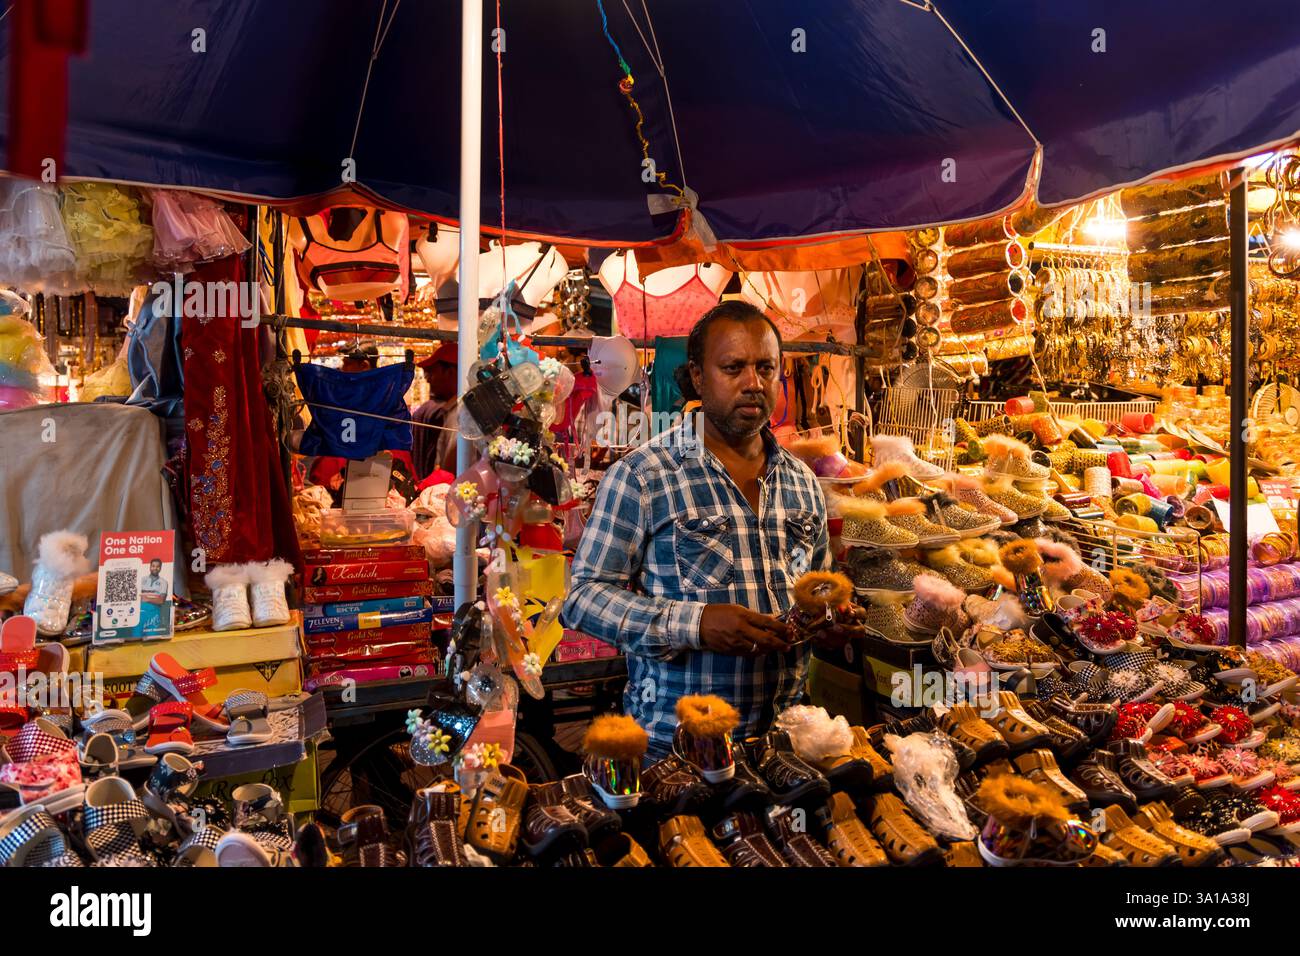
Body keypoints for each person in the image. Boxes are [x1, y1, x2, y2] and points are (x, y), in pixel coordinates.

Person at [561, 300, 857, 756]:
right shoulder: (644, 475)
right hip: (677, 749)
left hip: (787, 742)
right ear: (699, 376)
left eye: (766, 367)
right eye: (733, 368)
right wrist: (695, 624)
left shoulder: (802, 482)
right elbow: (583, 599)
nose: (753, 384)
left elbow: (814, 589)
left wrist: (828, 621)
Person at [411, 342, 460, 480]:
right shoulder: (451, 410)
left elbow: (449, 466)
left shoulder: (460, 413)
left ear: (451, 372)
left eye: (432, 372)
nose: (427, 379)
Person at [139, 558, 170, 634]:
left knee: (152, 637)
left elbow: (161, 600)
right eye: (153, 566)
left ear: (160, 568)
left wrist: (146, 599)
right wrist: (154, 598)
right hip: (140, 614)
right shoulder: (142, 580)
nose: (155, 568)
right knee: (136, 635)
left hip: (154, 614)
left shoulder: (164, 582)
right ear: (150, 567)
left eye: (157, 566)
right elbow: (137, 596)